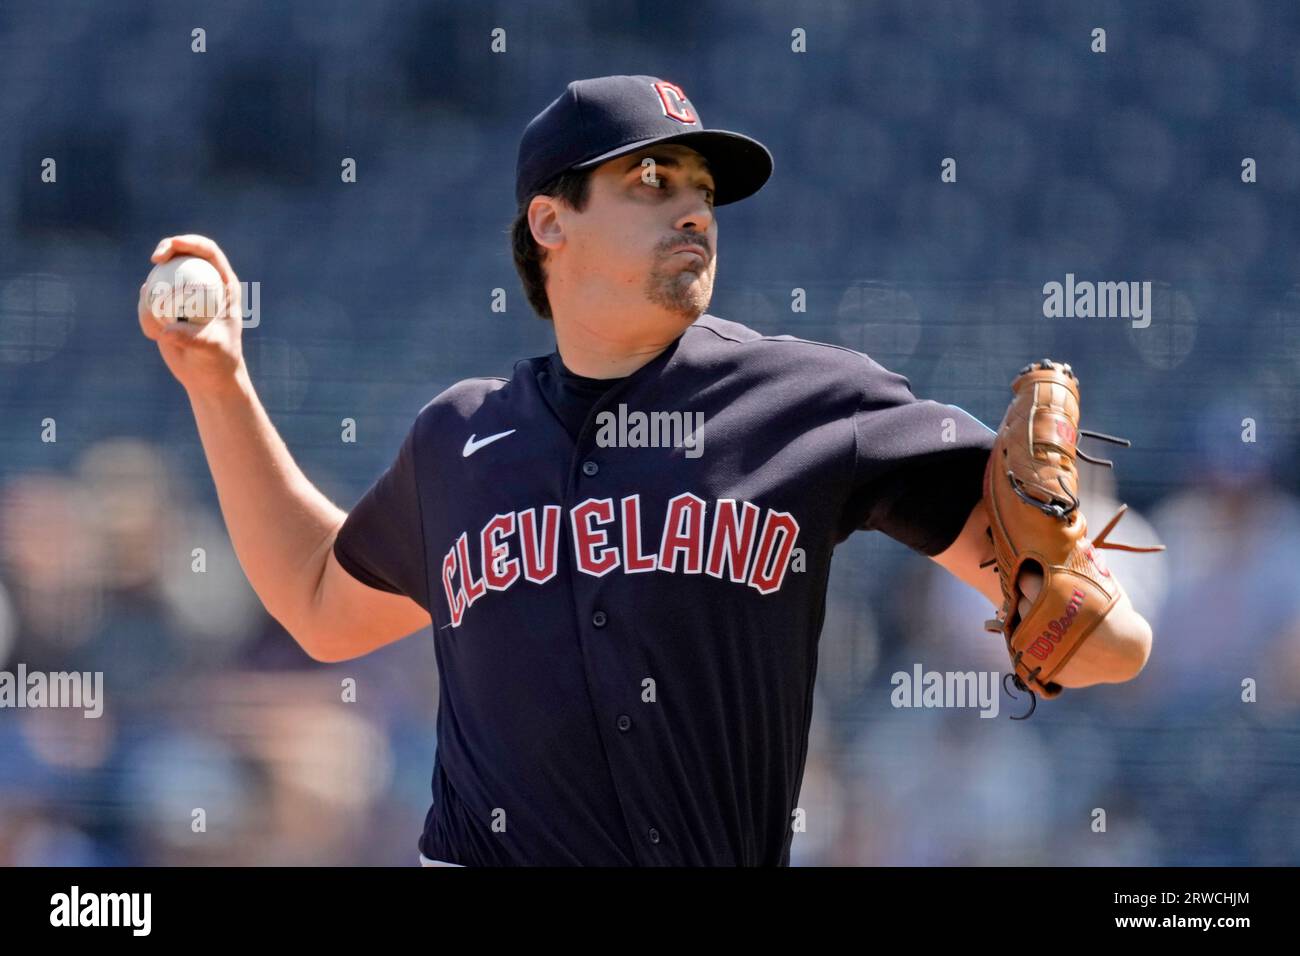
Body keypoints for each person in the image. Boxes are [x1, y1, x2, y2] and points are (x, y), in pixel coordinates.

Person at [137, 75, 1154, 866]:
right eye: (652, 182)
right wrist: (218, 380)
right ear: (550, 221)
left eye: (704, 190)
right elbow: (319, 599)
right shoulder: (459, 440)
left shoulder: (814, 405)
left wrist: (1067, 605)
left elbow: (1107, 643)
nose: (695, 211)